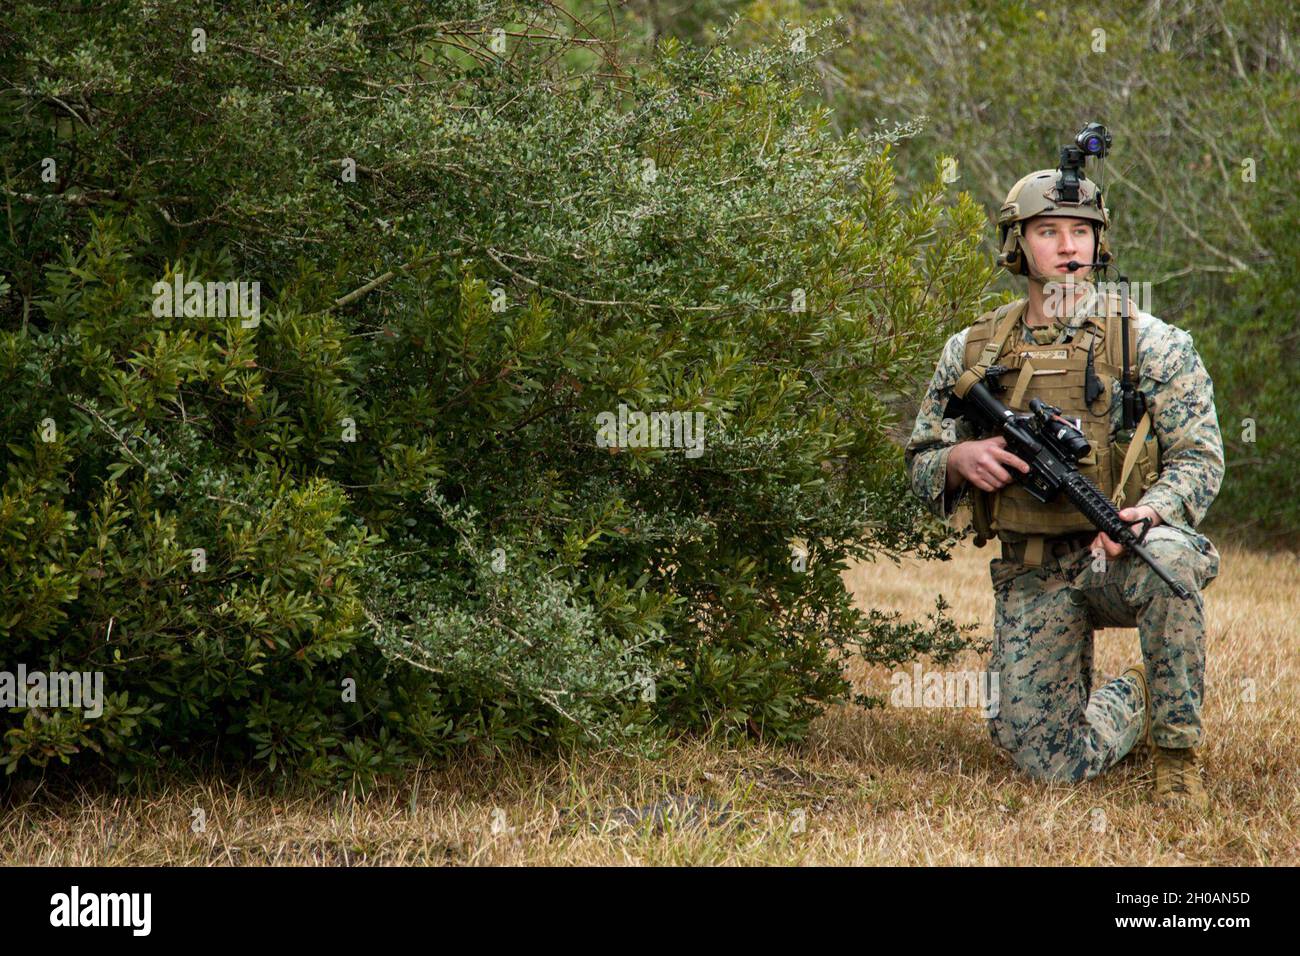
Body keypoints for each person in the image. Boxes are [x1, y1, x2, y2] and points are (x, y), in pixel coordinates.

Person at [904, 167, 1224, 809]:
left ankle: (1177, 750)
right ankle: (1132, 695)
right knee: (1047, 766)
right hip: (1032, 570)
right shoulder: (972, 352)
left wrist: (1151, 513)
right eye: (1049, 231)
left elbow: (1200, 458)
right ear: (1017, 244)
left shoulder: (1153, 345)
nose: (1069, 247)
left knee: (1172, 563)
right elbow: (918, 466)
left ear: (1100, 245)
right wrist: (960, 458)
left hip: (1123, 553)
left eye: (1082, 231)